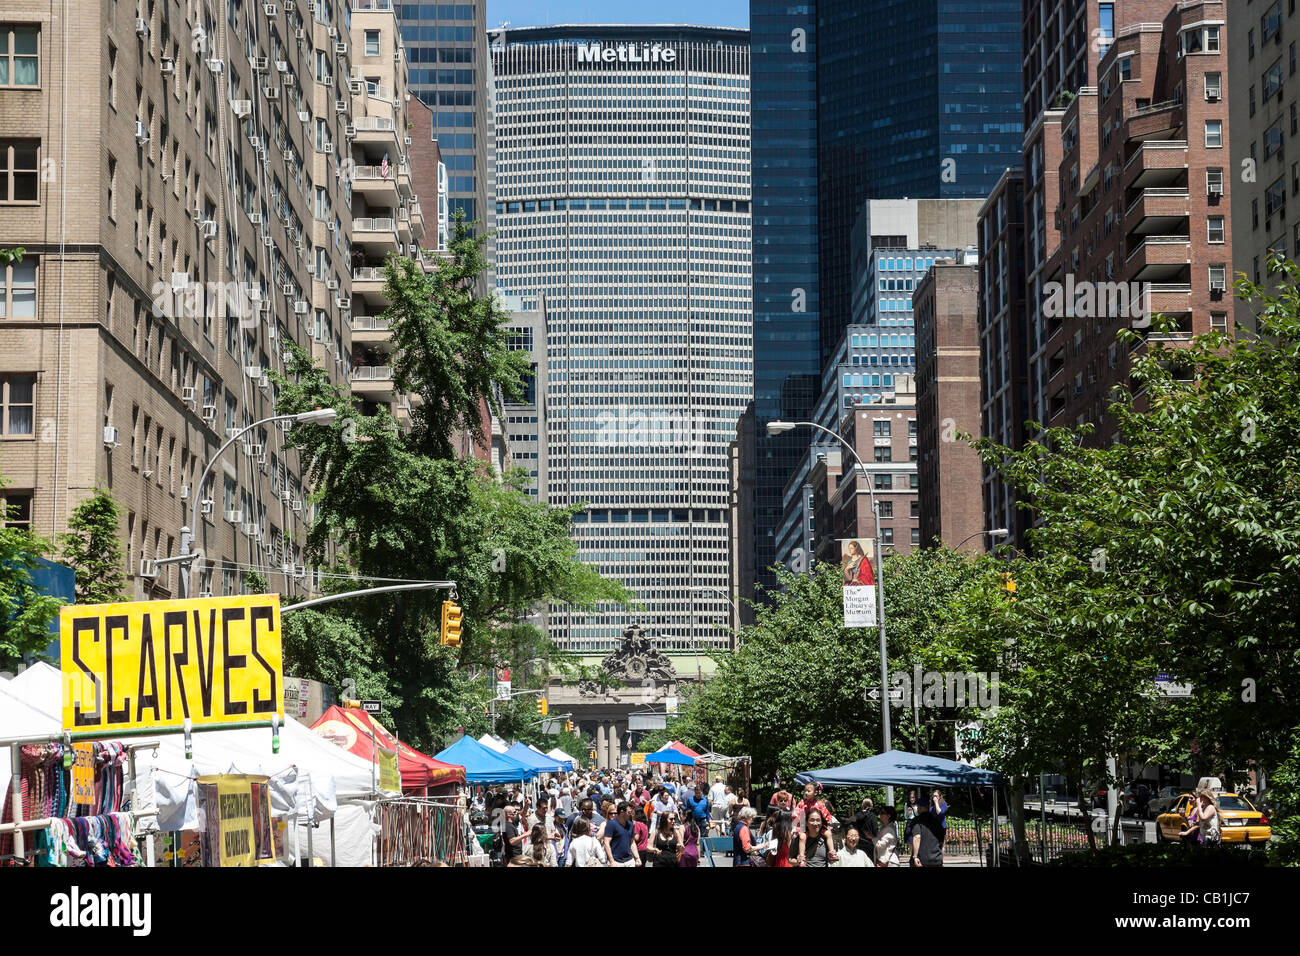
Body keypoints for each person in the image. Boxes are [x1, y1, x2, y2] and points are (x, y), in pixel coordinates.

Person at [602, 801, 642, 867]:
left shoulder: (630, 824)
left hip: (629, 860)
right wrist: (612, 861)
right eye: (629, 812)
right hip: (616, 862)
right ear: (622, 812)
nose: (631, 814)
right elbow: (606, 843)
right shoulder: (611, 824)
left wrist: (637, 858)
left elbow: (632, 843)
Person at [909, 799, 945, 867]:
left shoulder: (917, 820)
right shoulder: (937, 821)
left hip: (922, 860)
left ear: (920, 807)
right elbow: (942, 842)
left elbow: (917, 837)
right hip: (936, 860)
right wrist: (941, 857)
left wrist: (915, 856)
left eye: (918, 806)